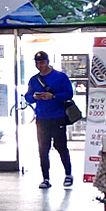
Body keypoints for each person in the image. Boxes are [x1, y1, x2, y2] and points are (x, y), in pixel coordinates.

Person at [27, 50, 76, 188]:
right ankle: (46, 178)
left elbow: (69, 94)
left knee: (61, 146)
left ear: (48, 62)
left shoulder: (60, 77)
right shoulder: (34, 80)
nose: (40, 65)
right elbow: (27, 97)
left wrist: (53, 96)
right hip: (41, 118)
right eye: (37, 63)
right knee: (43, 148)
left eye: (42, 62)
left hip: (58, 117)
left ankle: (68, 174)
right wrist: (34, 97)